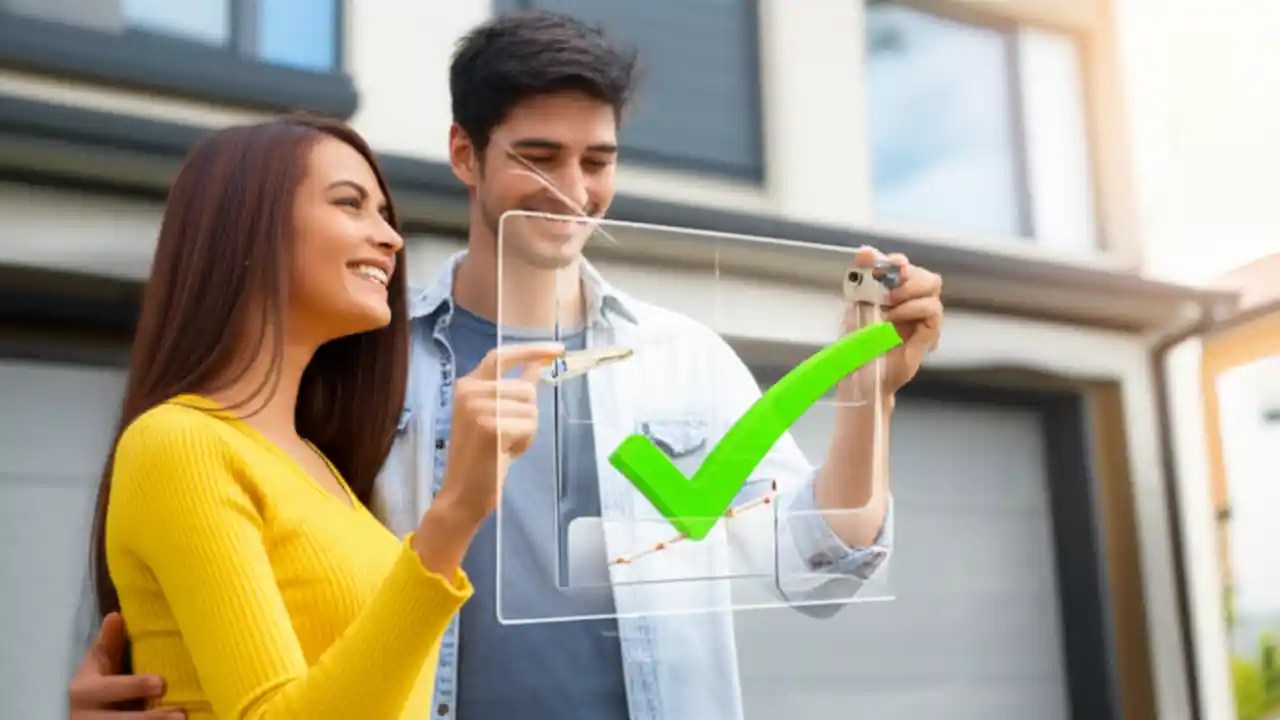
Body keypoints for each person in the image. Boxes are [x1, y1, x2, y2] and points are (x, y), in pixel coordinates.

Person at [69, 10, 944, 720]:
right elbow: (250, 581)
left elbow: (820, 571)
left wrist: (866, 398)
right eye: (539, 156)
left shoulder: (683, 361)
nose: (574, 189)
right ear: (465, 155)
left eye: (597, 161)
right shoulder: (355, 359)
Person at [70, 114, 565, 719]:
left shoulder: (322, 468)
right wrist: (456, 512)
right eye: (350, 204)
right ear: (248, 226)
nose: (391, 238)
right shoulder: (179, 442)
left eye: (384, 213)